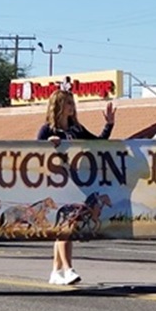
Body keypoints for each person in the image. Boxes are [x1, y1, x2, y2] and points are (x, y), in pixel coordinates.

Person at [38, 90, 115, 285]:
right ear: (58, 105)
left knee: (67, 228)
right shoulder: (47, 129)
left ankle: (56, 271)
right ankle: (68, 268)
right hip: (56, 182)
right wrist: (48, 145)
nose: (72, 107)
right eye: (67, 103)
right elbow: (35, 151)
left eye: (73, 103)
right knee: (66, 228)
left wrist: (109, 124)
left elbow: (98, 142)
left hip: (76, 183)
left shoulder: (76, 129)